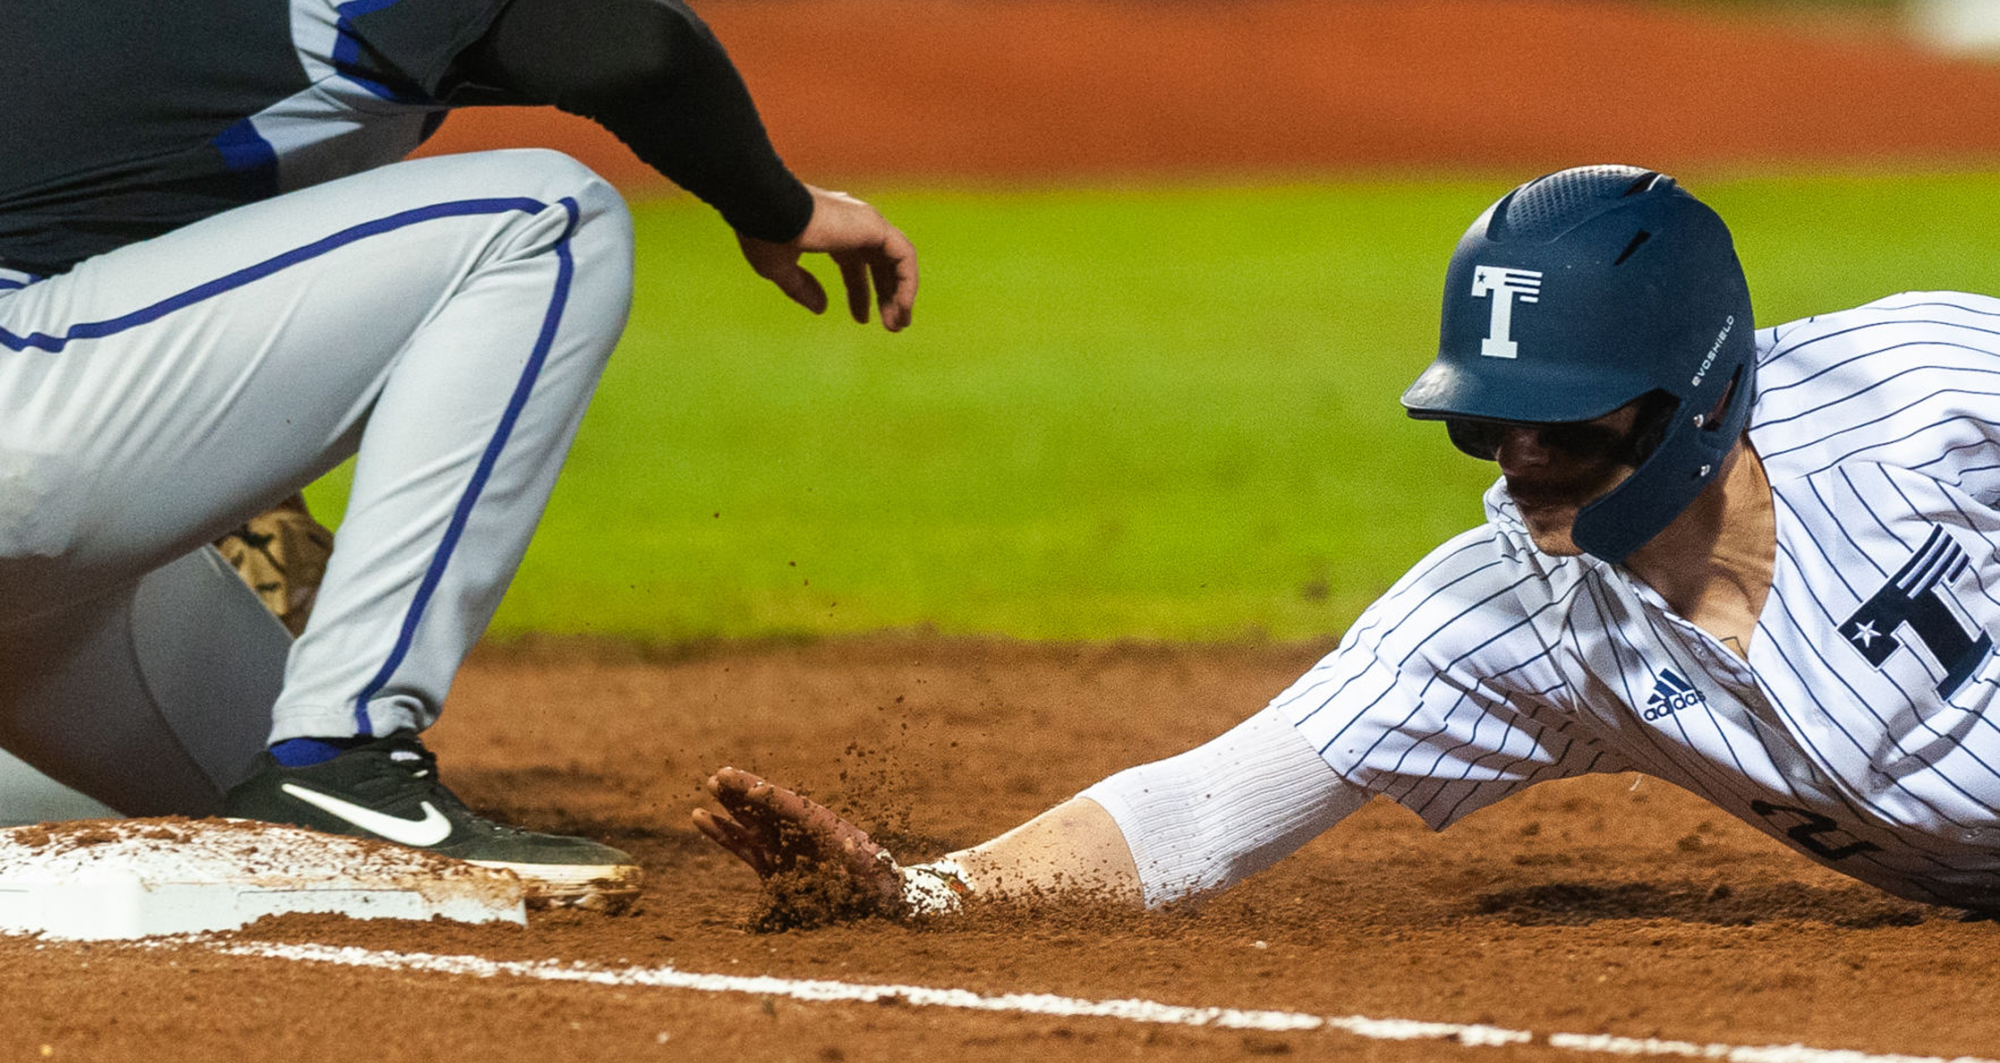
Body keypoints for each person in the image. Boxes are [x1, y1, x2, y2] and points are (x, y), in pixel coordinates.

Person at [696, 164, 2000, 919]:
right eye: (1492, 424)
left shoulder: (1924, 383)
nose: (1523, 462)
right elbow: (1206, 803)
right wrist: (927, 896)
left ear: (1698, 389)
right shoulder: (1502, 617)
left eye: (1565, 423)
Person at [0, 0, 916, 907]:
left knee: (261, 826)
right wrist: (776, 205)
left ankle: (318, 774)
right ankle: (345, 747)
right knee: (546, 216)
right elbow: (630, 47)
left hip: (44, 585)